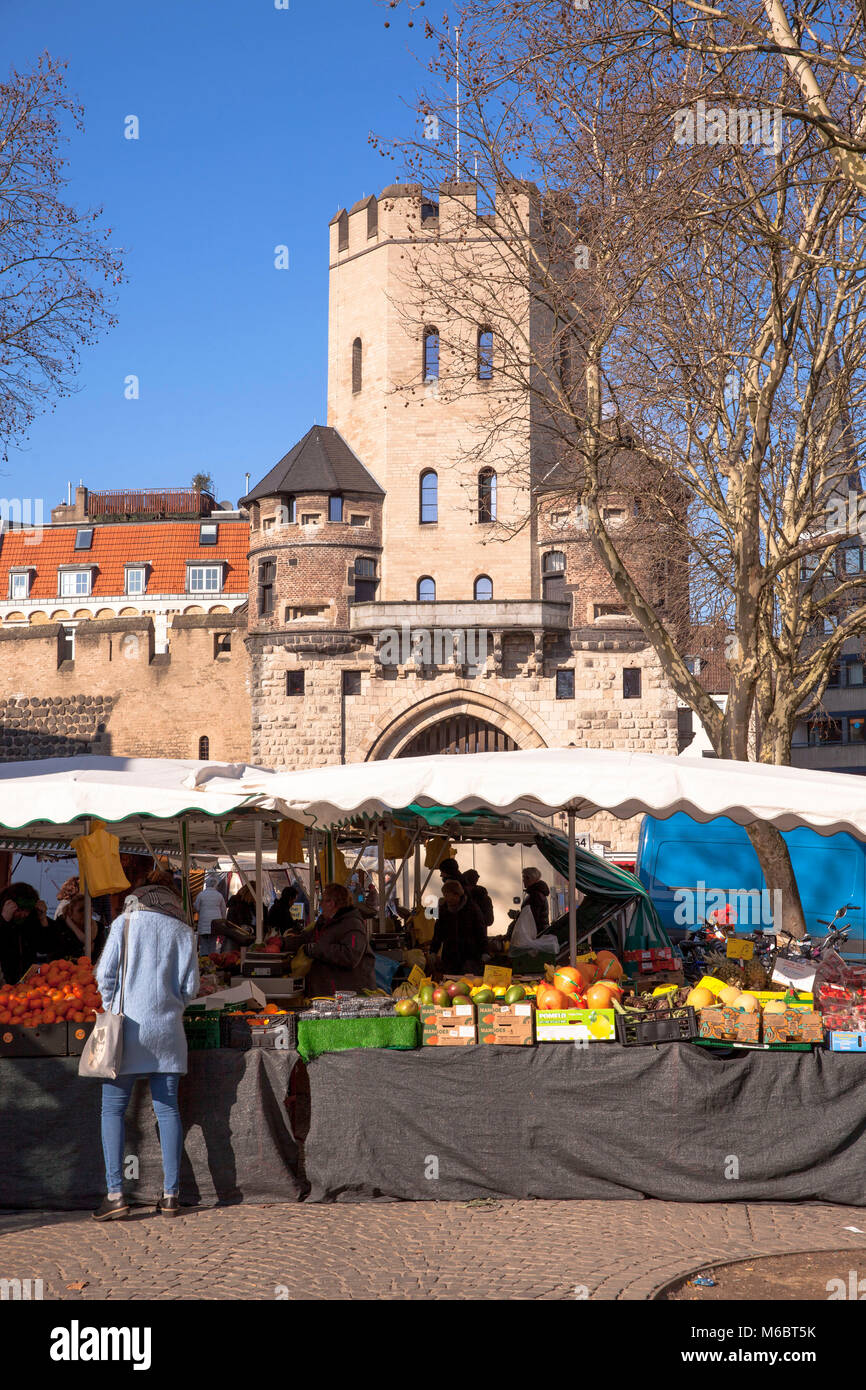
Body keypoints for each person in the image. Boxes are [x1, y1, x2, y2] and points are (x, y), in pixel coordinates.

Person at [93, 881, 200, 1221]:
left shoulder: (123, 923)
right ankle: (171, 1195)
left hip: (128, 1028)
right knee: (167, 1110)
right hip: (168, 1031)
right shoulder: (183, 931)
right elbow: (191, 987)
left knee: (112, 1110)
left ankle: (115, 1195)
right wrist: (170, 1007)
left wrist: (113, 1005)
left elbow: (104, 975)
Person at [299, 881, 375, 997]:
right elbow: (306, 938)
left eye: (322, 901)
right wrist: (283, 943)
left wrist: (316, 949)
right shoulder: (324, 922)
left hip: (347, 995)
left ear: (331, 903)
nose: (320, 905)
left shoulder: (352, 925)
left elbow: (350, 956)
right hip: (328, 991)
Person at [431, 878, 486, 975]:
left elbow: (480, 931)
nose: (447, 898)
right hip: (449, 956)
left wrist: (484, 951)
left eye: (449, 895)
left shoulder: (472, 909)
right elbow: (438, 933)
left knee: (468, 983)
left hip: (470, 955)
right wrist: (433, 951)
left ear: (457, 894)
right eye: (445, 895)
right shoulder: (443, 910)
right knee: (450, 983)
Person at [0, 884, 53, 983]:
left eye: (27, 910)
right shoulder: (4, 918)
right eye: (19, 910)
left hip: (26, 982)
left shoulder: (32, 920)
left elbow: (45, 947)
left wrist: (43, 919)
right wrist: (3, 920)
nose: (23, 914)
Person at [51, 892, 107, 964]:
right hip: (64, 970)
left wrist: (93, 952)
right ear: (71, 913)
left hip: (89, 971)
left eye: (88, 909)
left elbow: (101, 956)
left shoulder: (99, 928)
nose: (85, 913)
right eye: (81, 910)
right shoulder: (60, 927)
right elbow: (56, 955)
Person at [508, 866, 551, 941]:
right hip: (537, 934)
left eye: (524, 878)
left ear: (530, 879)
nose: (523, 880)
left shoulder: (536, 896)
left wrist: (516, 915)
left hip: (535, 936)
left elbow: (531, 919)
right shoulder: (536, 894)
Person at [194, 873, 226, 955]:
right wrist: (223, 920)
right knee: (213, 942)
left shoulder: (201, 895)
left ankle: (204, 958)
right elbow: (223, 909)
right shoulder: (219, 895)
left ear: (206, 884)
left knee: (204, 943)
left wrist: (202, 912)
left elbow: (196, 907)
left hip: (203, 921)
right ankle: (212, 959)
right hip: (215, 923)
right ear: (215, 885)